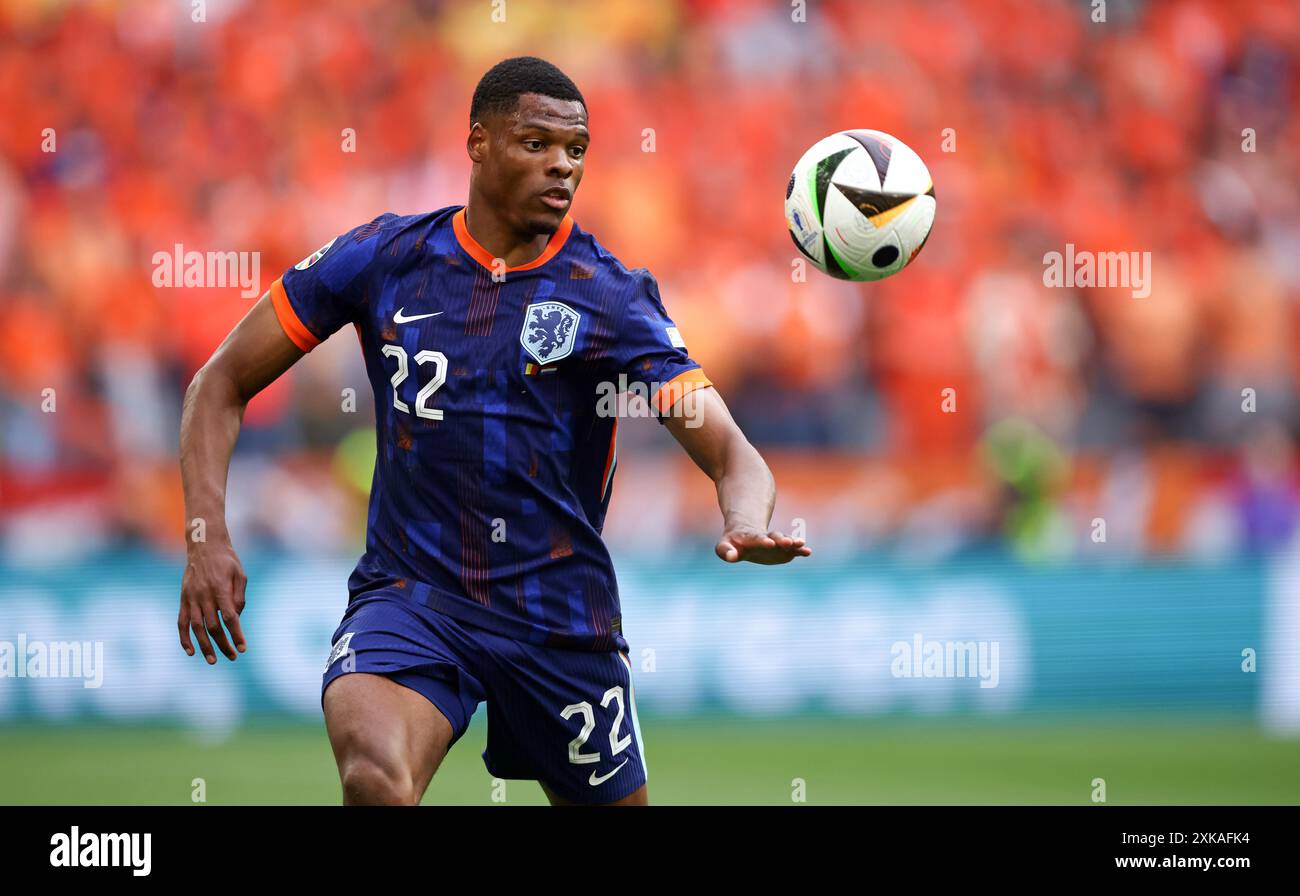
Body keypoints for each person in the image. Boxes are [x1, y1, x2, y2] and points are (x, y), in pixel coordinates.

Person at [178, 56, 810, 806]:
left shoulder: (607, 296)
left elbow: (732, 450)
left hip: (560, 621)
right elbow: (218, 382)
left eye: (576, 151)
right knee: (375, 779)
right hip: (414, 596)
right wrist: (205, 535)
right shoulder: (384, 259)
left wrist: (745, 519)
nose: (562, 167)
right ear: (477, 143)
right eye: (537, 143)